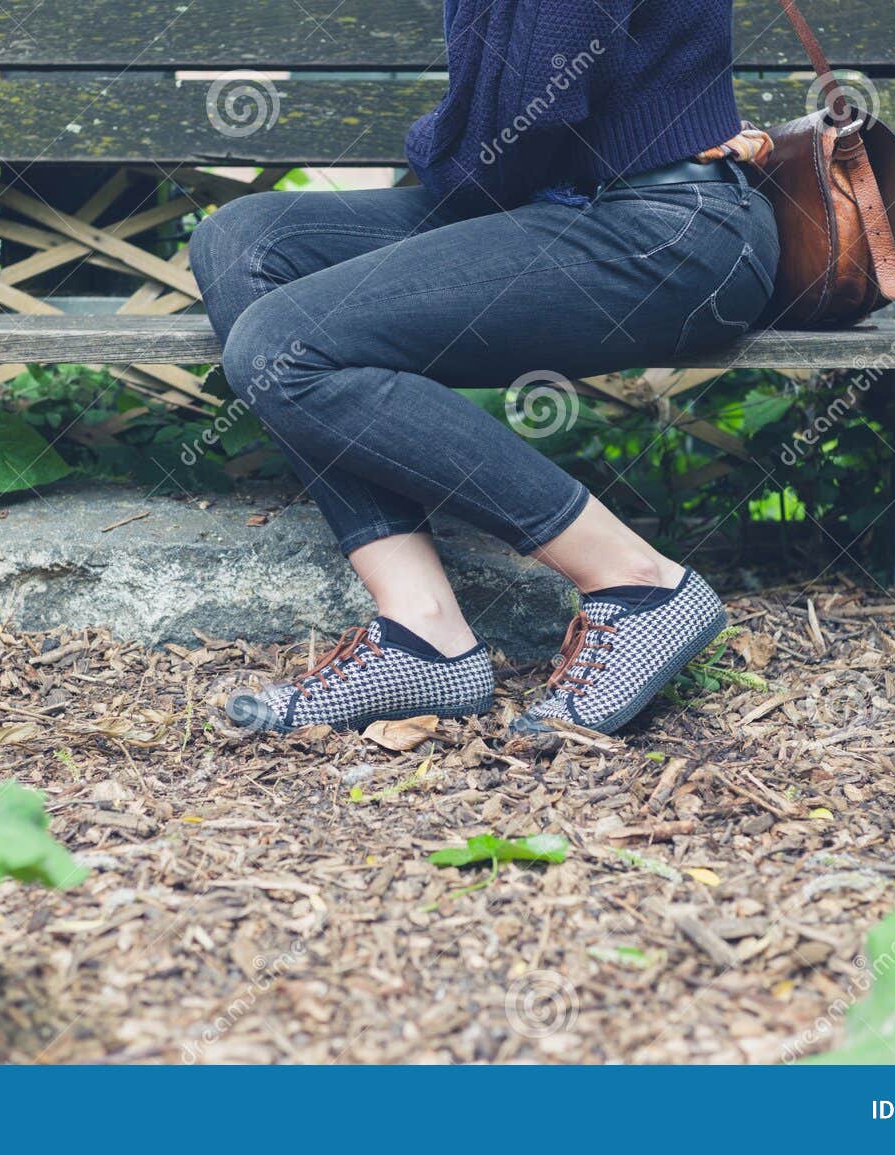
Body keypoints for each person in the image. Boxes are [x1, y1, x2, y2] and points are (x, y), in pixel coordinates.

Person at [188, 0, 776, 736]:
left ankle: (639, 582)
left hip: (669, 232)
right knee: (244, 242)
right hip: (562, 204)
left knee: (282, 348)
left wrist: (436, 145)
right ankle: (422, 630)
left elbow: (512, 131)